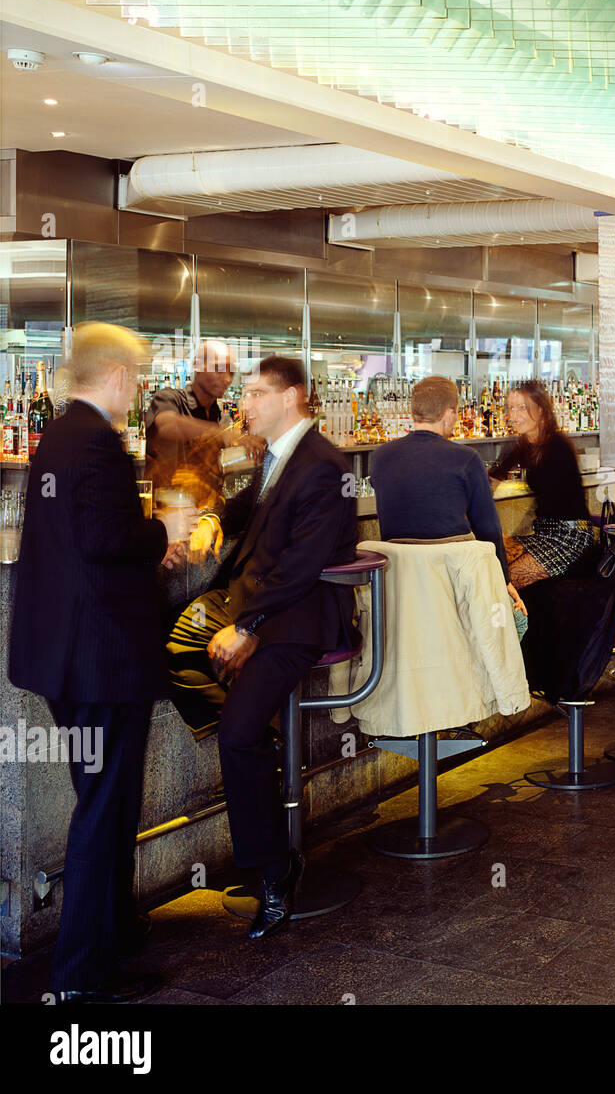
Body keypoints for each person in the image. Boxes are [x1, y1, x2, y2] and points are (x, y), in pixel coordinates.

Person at [8, 323, 189, 1003]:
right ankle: (81, 976)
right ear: (115, 373)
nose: (139, 389)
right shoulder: (98, 442)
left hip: (64, 658)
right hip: (101, 659)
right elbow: (104, 537)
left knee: (104, 803)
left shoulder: (59, 433)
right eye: (137, 377)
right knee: (103, 809)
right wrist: (162, 531)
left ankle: (113, 942)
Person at [166, 355, 357, 939]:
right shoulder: (280, 456)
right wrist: (210, 518)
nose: (242, 404)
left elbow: (303, 563)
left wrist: (247, 627)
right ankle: (270, 756)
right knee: (174, 652)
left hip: (294, 621)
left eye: (253, 393)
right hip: (260, 610)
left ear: (291, 397)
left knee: (237, 733)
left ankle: (276, 872)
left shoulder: (324, 465)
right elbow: (248, 506)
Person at [369, 375, 525, 614]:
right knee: (517, 618)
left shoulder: (380, 457)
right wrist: (503, 581)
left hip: (400, 591)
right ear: (449, 413)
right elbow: (488, 529)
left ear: (413, 413)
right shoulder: (466, 459)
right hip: (455, 588)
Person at [488, 379, 594, 588]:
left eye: (522, 409)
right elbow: (492, 478)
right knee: (491, 565)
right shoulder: (523, 445)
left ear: (541, 410)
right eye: (511, 409)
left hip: (570, 537)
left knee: (505, 581)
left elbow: (559, 498)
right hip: (544, 533)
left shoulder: (558, 446)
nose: (514, 416)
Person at [145, 339, 264, 494]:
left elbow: (222, 466)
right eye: (219, 369)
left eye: (231, 372)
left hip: (207, 512)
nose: (227, 379)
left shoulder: (221, 419)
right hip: (167, 508)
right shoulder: (169, 399)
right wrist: (226, 434)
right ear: (197, 365)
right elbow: (167, 425)